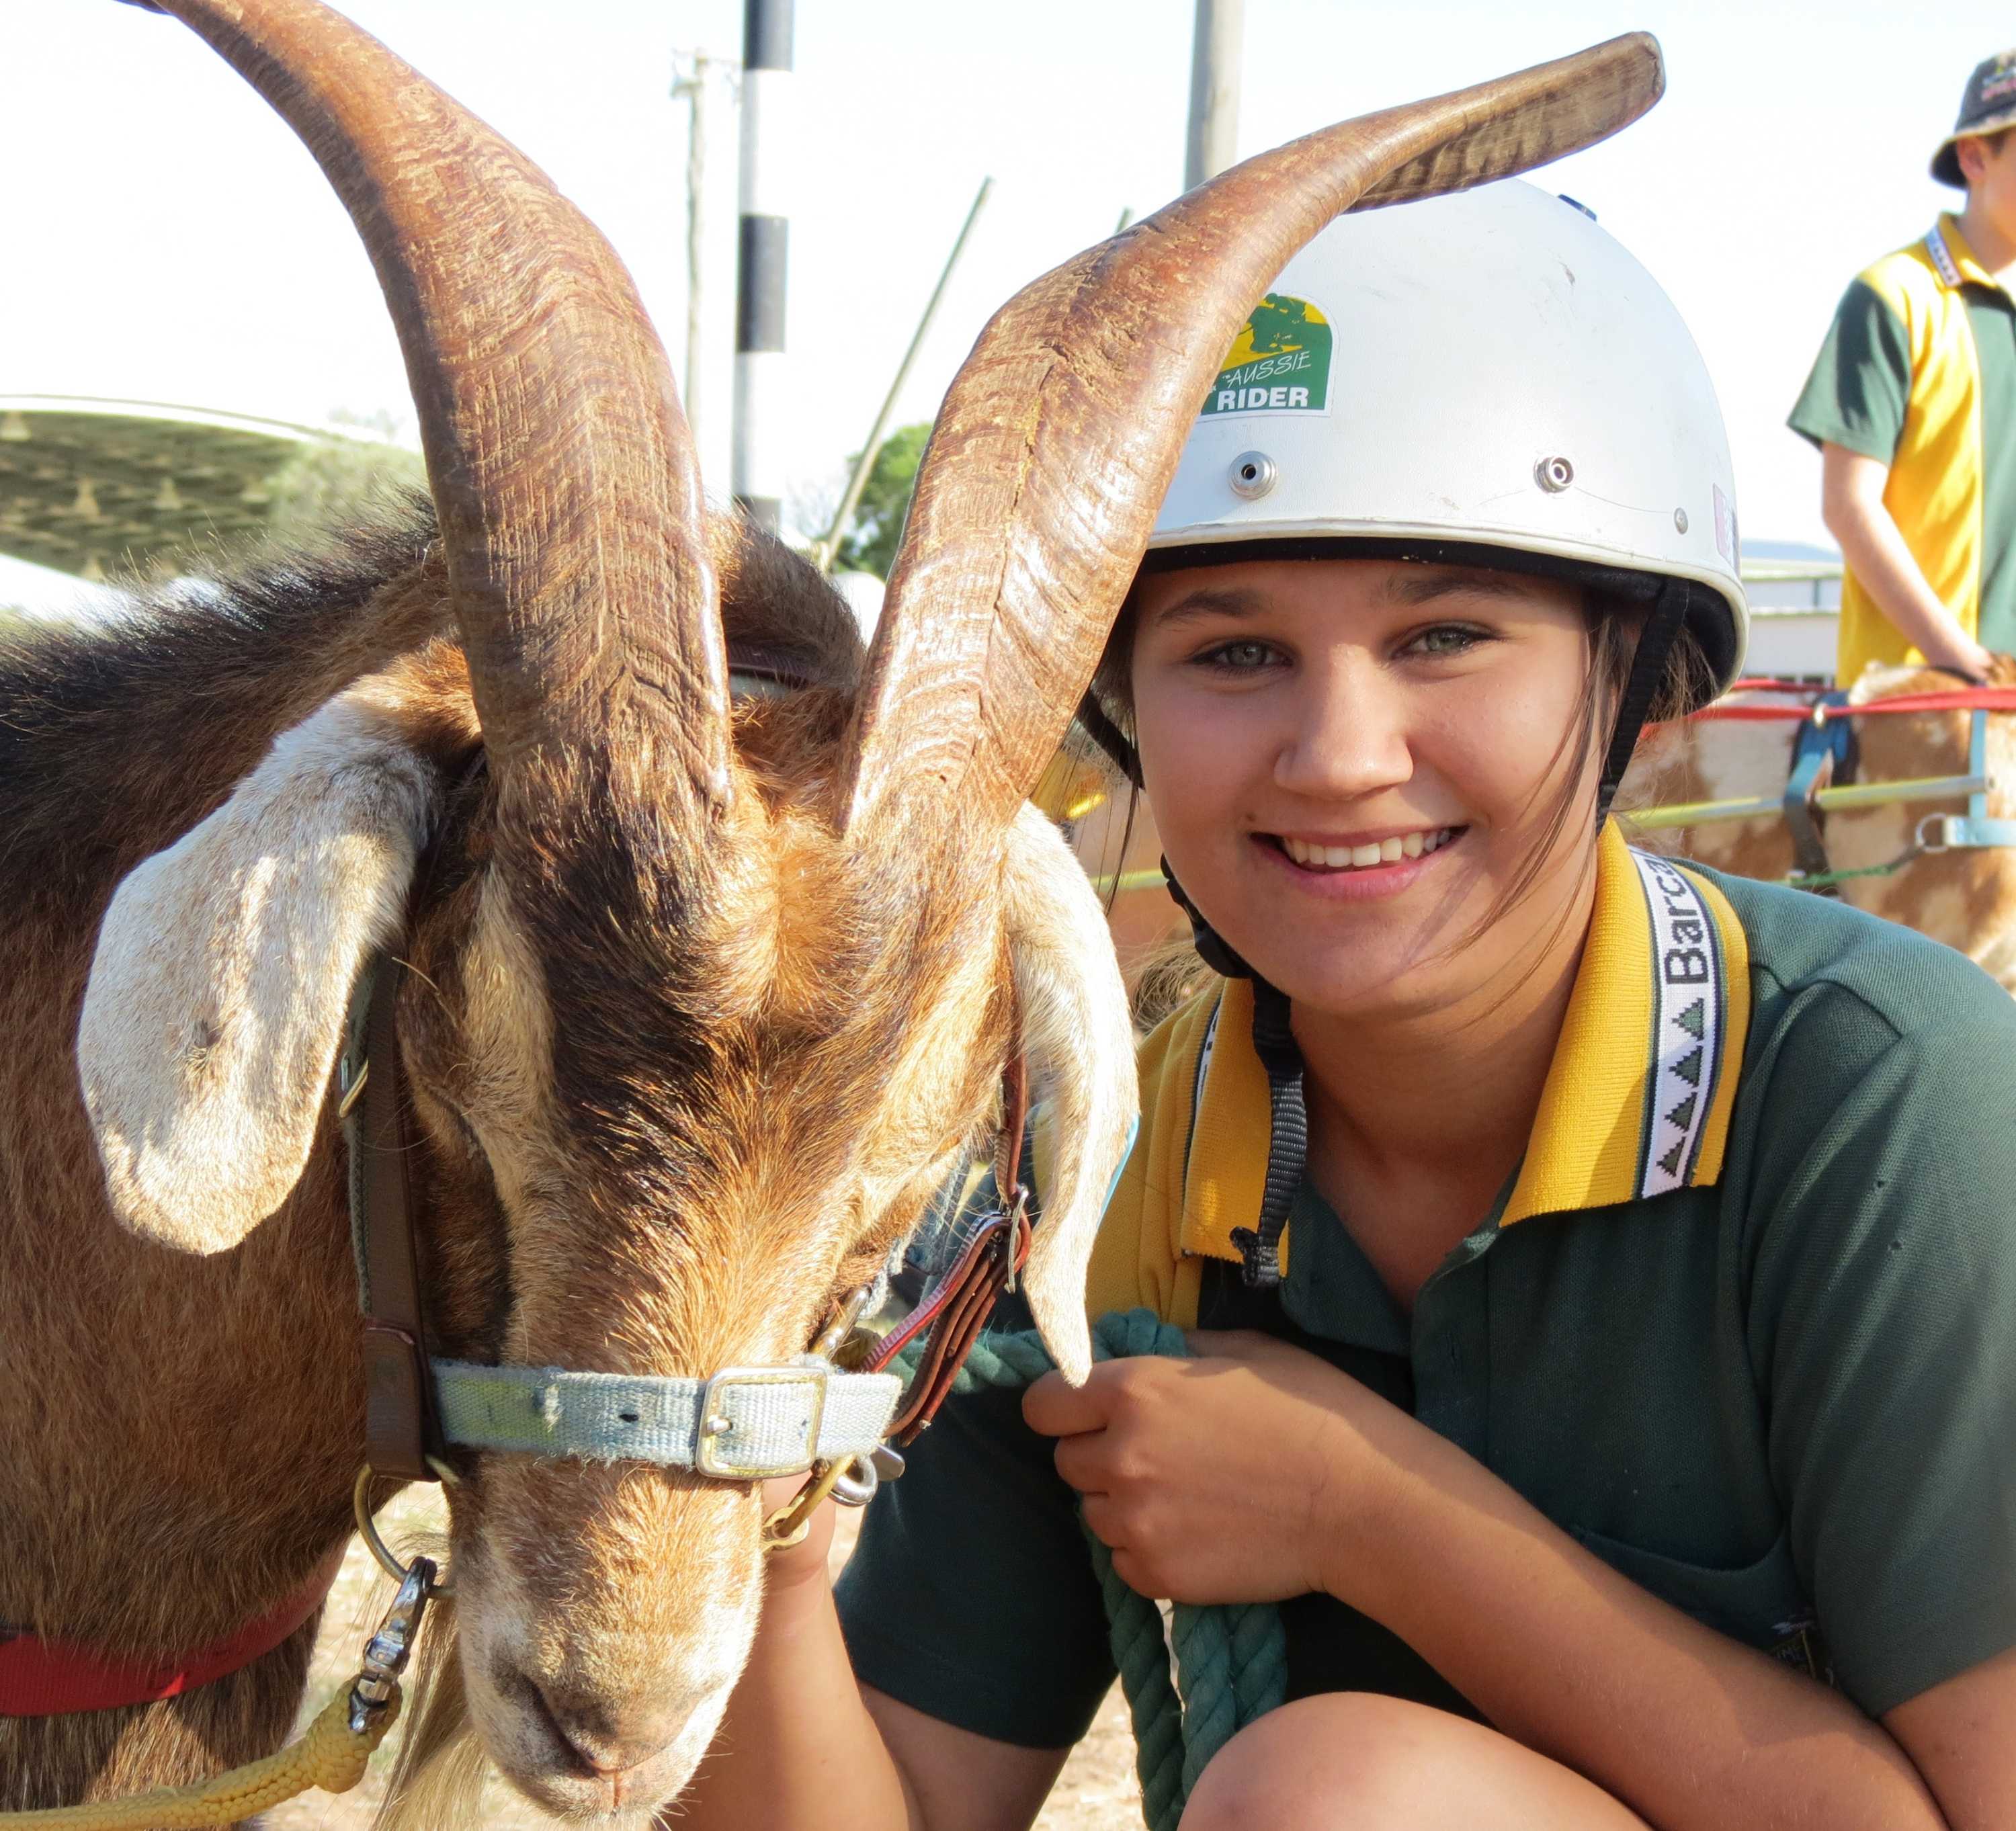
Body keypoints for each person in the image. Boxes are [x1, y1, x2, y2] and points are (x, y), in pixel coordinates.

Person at [681, 183, 2016, 1829]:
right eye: (1232, 654)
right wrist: (745, 1514)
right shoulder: (1098, 1176)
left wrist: (1362, 1510)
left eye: (1443, 634)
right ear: (1119, 715)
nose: (1335, 755)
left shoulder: (1885, 1103)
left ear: (1643, 684)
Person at [1790, 49, 2016, 687]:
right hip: (1913, 714)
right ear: (1976, 157)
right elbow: (1848, 505)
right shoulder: (1894, 296)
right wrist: (1964, 662)